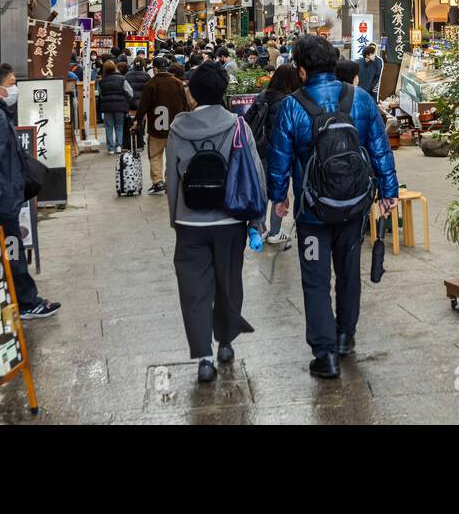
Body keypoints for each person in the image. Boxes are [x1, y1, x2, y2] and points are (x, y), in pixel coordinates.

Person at [266, 35, 399, 379]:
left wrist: (278, 197)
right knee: (348, 271)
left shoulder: (291, 106)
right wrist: (388, 190)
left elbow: (279, 159)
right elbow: (380, 148)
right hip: (354, 206)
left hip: (312, 212)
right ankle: (345, 337)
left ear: (301, 70)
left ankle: (324, 355)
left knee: (315, 279)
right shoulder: (360, 100)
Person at [165, 62, 262, 383]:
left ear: (192, 92)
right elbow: (254, 174)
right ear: (224, 92)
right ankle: (225, 343)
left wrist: (176, 218)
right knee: (229, 281)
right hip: (230, 220)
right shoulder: (237, 126)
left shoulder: (178, 129)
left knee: (194, 290)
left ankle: (203, 358)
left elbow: (170, 180)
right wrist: (256, 223)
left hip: (190, 222)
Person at [0, 64, 60, 319]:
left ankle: (0, 303)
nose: (15, 88)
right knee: (11, 252)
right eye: (12, 83)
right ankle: (26, 303)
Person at [250, 64, 303, 247]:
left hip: (260, 149)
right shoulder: (289, 101)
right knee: (279, 190)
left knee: (263, 190)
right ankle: (275, 231)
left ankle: (260, 228)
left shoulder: (262, 95)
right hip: (280, 152)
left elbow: (248, 120)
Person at [136, 55, 194, 194]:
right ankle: (170, 181)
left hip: (156, 128)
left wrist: (137, 121)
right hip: (175, 127)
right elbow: (185, 104)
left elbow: (143, 106)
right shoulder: (177, 83)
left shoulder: (150, 84)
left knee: (155, 155)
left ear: (155, 68)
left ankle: (158, 182)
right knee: (172, 156)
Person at [97, 59, 134, 154]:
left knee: (109, 127)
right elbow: (130, 92)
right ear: (114, 67)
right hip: (120, 106)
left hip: (107, 106)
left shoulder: (101, 81)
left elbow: (101, 94)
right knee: (119, 126)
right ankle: (119, 146)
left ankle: (110, 148)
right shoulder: (121, 79)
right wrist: (126, 100)